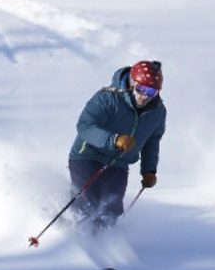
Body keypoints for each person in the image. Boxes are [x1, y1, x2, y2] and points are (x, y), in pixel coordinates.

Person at [69, 60, 165, 233]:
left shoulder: (157, 111)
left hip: (119, 163)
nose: (145, 96)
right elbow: (84, 126)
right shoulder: (107, 97)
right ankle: (74, 237)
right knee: (88, 200)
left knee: (111, 209)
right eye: (141, 89)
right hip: (87, 155)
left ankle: (102, 242)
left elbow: (152, 141)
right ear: (132, 82)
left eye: (151, 91)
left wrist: (149, 170)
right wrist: (114, 140)